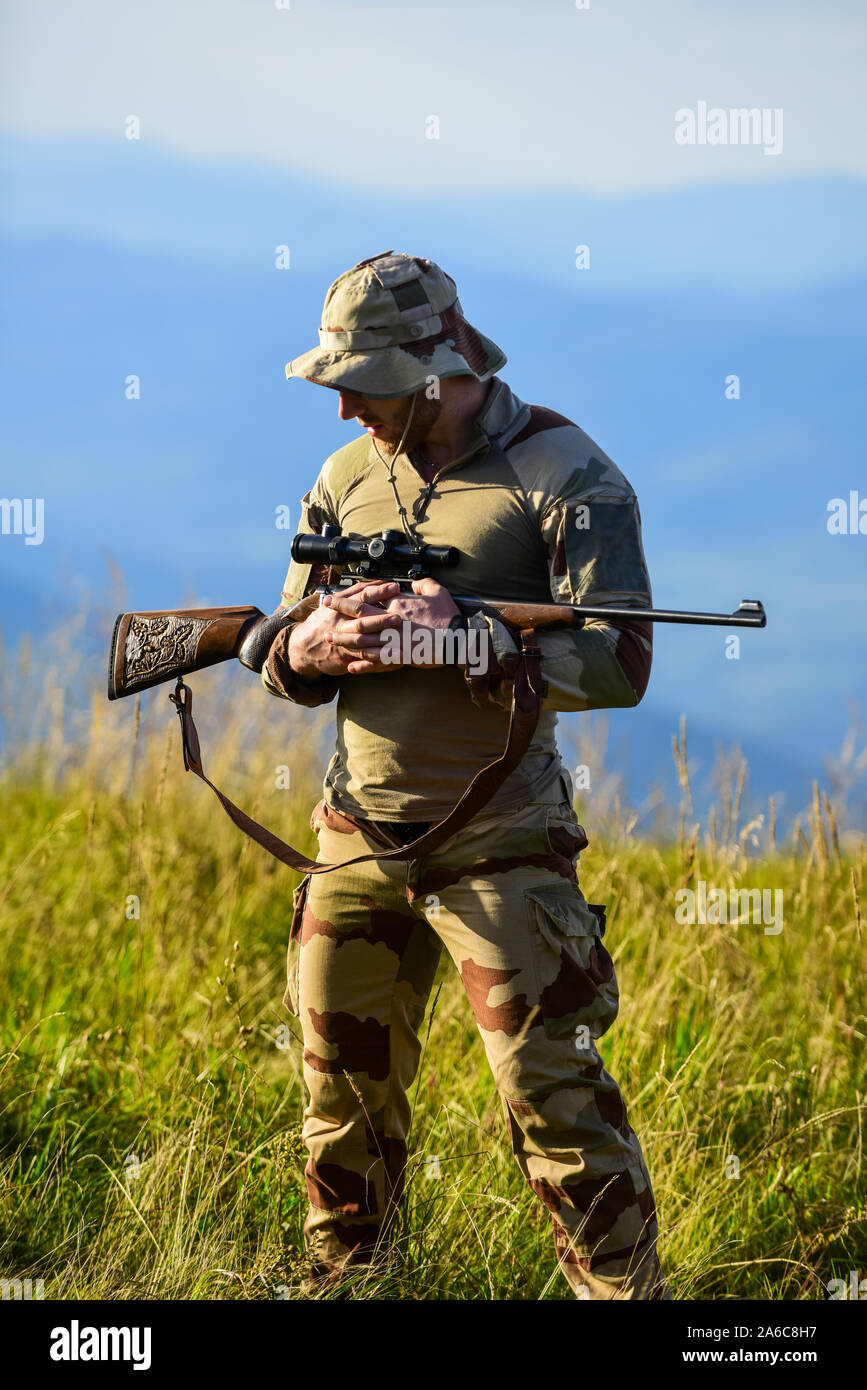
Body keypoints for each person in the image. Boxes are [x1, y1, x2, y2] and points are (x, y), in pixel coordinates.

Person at [263, 250, 669, 1300]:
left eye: (365, 381)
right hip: (354, 843)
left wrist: (488, 643)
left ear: (441, 366)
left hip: (504, 852)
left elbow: (623, 660)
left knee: (555, 1102)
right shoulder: (347, 476)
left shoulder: (569, 471)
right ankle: (345, 1290)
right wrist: (302, 652)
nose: (345, 403)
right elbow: (284, 630)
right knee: (338, 1105)